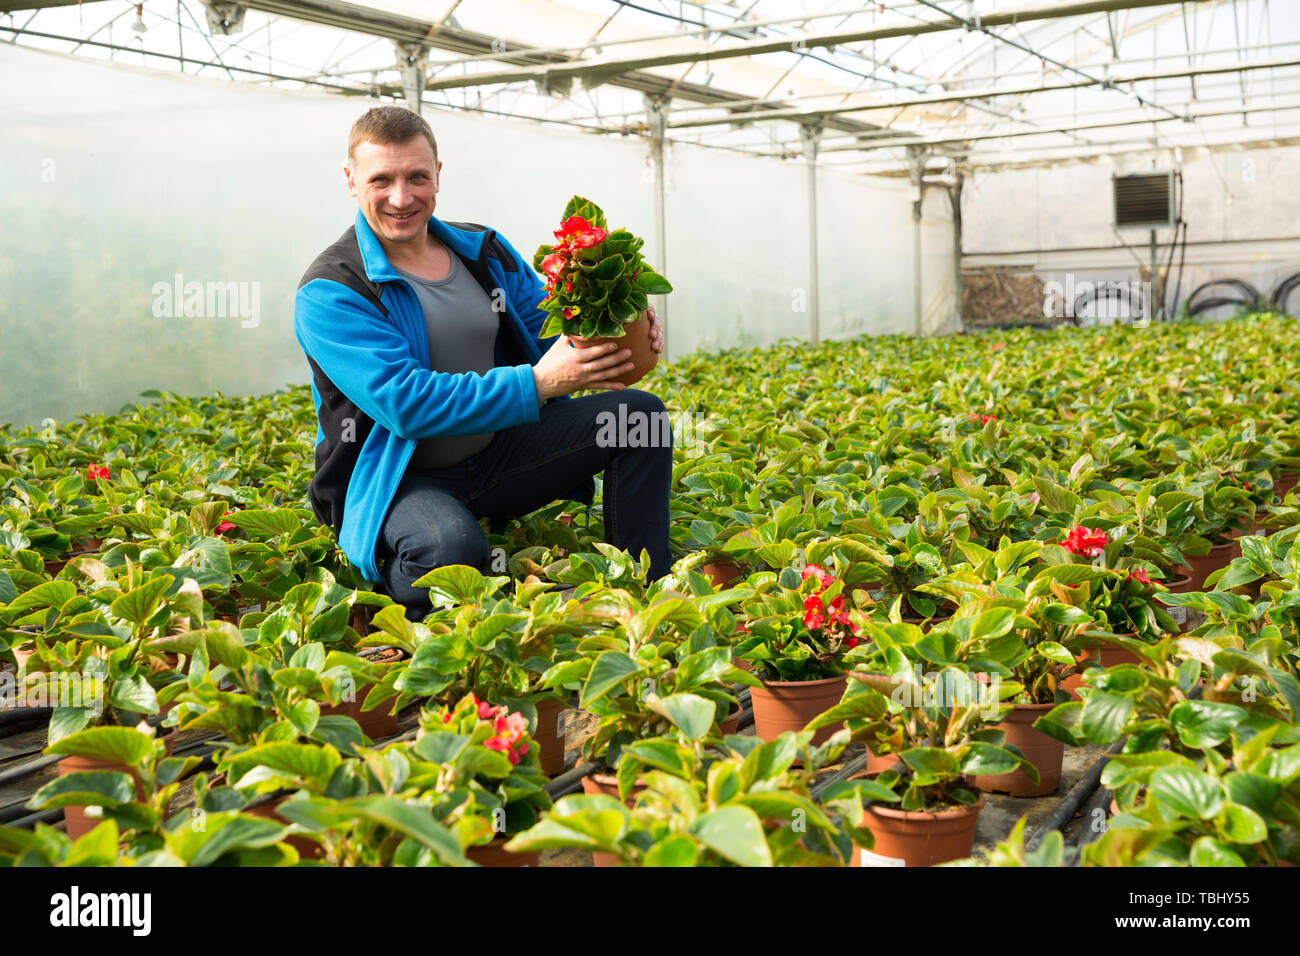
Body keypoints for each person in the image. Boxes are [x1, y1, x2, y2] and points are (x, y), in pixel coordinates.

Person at [293, 106, 673, 620]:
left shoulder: (483, 252)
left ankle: (641, 592)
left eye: (417, 178)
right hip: (399, 481)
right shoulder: (333, 290)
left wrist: (620, 327)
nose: (401, 198)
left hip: (497, 457)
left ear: (438, 176)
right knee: (448, 555)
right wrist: (537, 384)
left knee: (637, 420)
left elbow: (549, 340)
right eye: (381, 180)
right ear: (351, 180)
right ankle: (400, 578)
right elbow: (406, 404)